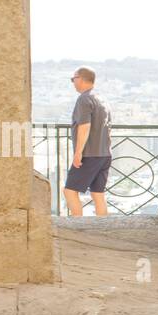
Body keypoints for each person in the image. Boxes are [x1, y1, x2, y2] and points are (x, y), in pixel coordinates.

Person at [64, 67, 113, 217]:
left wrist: (78, 153)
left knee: (69, 191)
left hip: (89, 155)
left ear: (81, 79)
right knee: (98, 194)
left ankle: (78, 227)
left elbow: (84, 127)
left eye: (73, 79)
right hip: (105, 154)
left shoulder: (84, 99)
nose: (73, 82)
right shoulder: (102, 99)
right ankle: (103, 229)